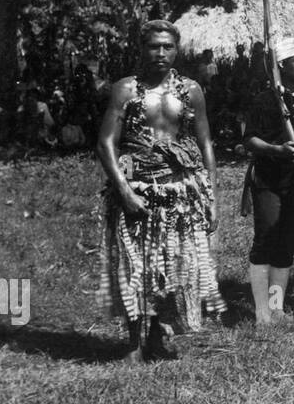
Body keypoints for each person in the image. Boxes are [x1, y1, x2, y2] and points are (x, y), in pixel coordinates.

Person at [96, 20, 224, 361]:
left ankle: (159, 334)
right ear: (142, 49)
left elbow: (205, 142)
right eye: (154, 46)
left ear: (177, 49)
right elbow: (106, 142)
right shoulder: (126, 89)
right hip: (138, 186)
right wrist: (124, 192)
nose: (161, 53)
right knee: (135, 267)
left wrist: (209, 195)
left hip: (179, 190)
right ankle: (133, 343)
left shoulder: (191, 90)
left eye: (168, 46)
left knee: (174, 265)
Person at [242, 33, 294, 324]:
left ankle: (276, 307)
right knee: (267, 238)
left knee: (287, 242)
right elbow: (250, 139)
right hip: (268, 178)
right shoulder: (265, 100)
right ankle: (261, 310)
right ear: (281, 65)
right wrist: (277, 150)